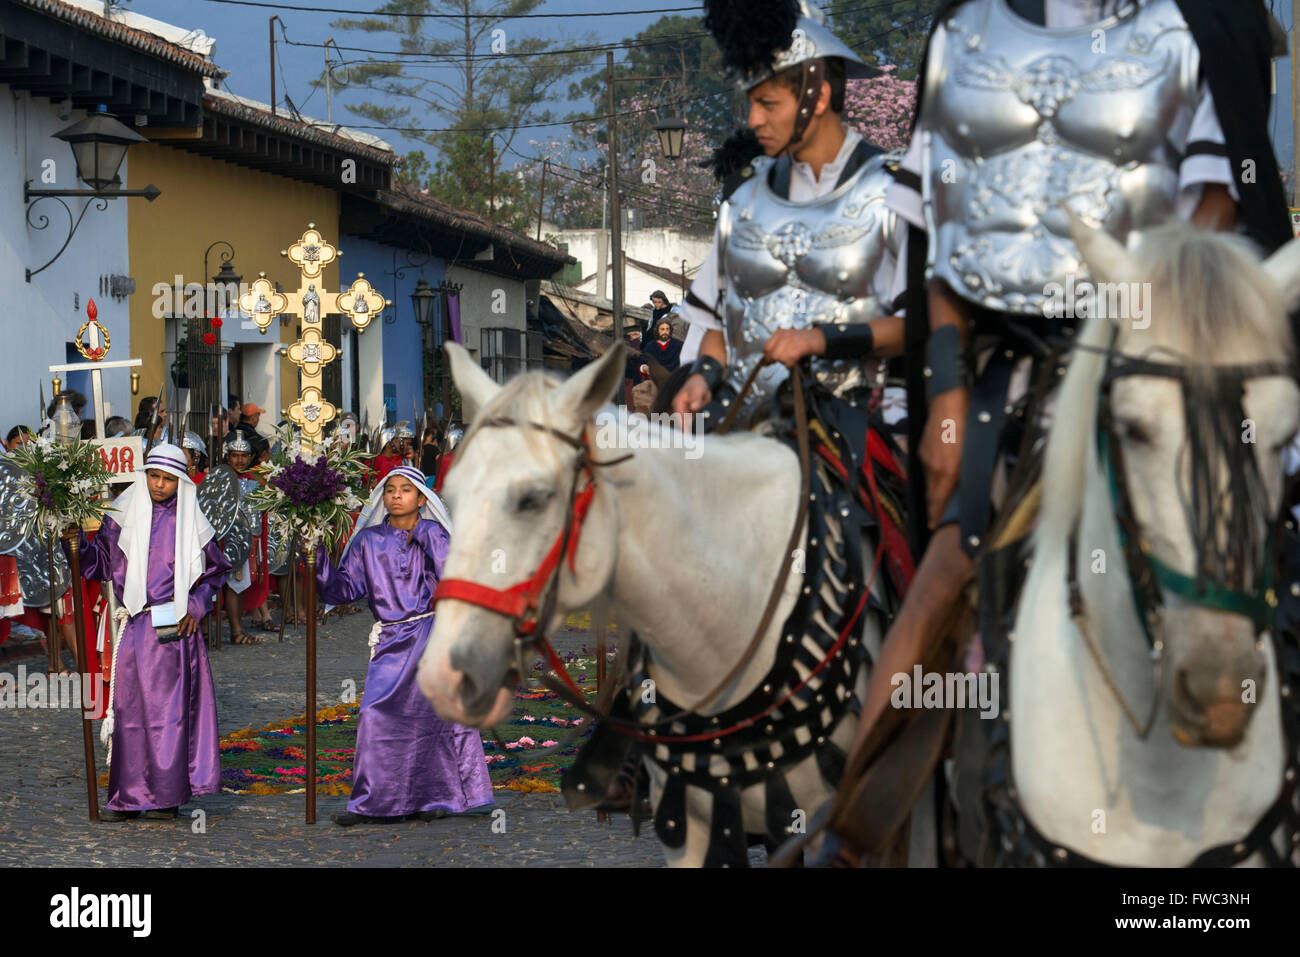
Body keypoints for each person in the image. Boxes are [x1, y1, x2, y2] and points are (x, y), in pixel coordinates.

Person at [825, 0, 1292, 862]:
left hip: (1156, 359)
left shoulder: (1189, 26)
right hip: (1012, 383)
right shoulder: (963, 34)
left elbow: (1214, 214)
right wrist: (951, 401)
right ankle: (854, 836)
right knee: (938, 585)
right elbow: (943, 240)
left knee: (1266, 525)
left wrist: (1155, 343)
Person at [674, 0, 905, 427]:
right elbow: (719, 324)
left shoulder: (894, 190)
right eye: (751, 103)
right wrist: (702, 378)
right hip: (744, 423)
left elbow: (922, 326)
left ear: (818, 98)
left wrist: (819, 339)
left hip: (861, 422)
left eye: (768, 104)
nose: (753, 119)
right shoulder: (744, 198)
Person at [315, 465, 493, 825]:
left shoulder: (434, 534)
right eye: (390, 490)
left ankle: (441, 797)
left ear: (421, 498)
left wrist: (427, 533)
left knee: (435, 718)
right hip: (391, 642)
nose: (396, 496)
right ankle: (372, 802)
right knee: (374, 713)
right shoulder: (367, 541)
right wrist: (315, 557)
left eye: (406, 490)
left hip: (430, 635)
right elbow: (343, 590)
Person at [67, 442, 230, 821]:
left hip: (174, 631)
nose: (159, 485)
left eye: (168, 479)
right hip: (135, 628)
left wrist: (195, 605)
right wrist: (72, 543)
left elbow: (215, 571)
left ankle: (167, 796)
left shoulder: (190, 519)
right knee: (129, 713)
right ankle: (128, 795)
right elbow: (100, 565)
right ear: (144, 476)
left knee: (169, 715)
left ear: (181, 481)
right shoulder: (120, 516)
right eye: (153, 476)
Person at [218, 434, 268, 644]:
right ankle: (236, 630)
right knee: (232, 584)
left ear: (251, 457)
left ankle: (238, 628)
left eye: (244, 456)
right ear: (228, 457)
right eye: (235, 455)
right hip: (229, 540)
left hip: (248, 539)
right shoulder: (220, 481)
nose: (239, 460)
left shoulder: (254, 482)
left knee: (240, 585)